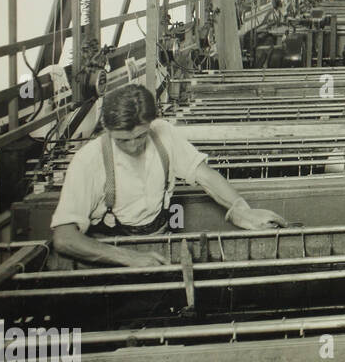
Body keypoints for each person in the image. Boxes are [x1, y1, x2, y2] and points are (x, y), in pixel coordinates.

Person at [50, 84, 286, 268]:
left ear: (150, 123)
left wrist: (240, 209)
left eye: (140, 136)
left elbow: (205, 175)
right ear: (107, 129)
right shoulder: (88, 161)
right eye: (122, 140)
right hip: (109, 254)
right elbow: (63, 238)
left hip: (160, 242)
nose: (133, 147)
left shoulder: (163, 134)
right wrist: (129, 258)